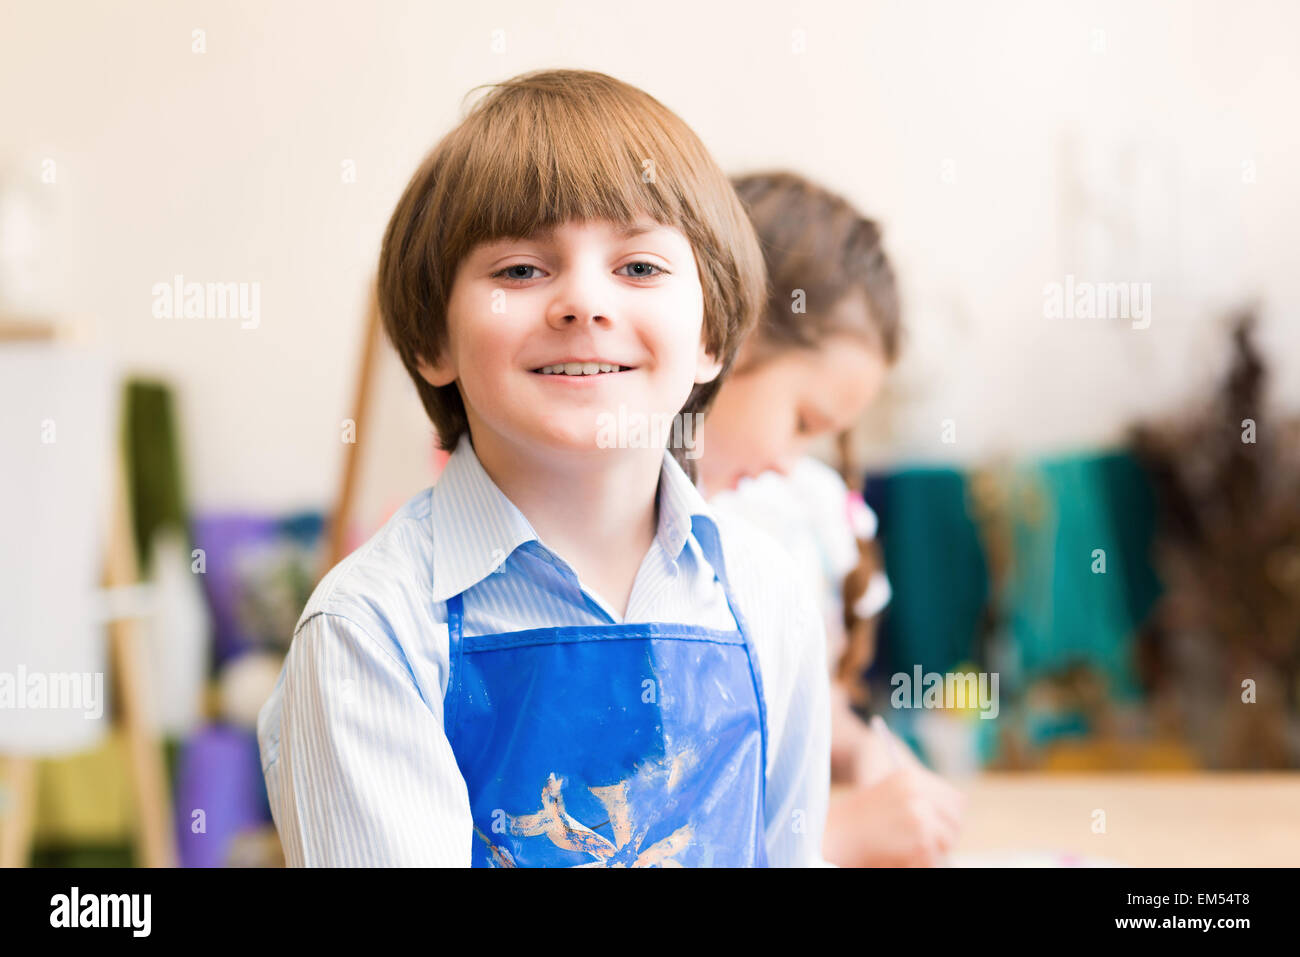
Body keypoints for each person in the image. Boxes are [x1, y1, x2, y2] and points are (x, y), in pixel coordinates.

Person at [256, 71, 833, 867]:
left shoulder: (768, 595)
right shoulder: (369, 631)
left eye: (638, 268)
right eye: (521, 270)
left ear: (712, 333)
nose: (583, 304)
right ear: (433, 341)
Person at [702, 171, 966, 867]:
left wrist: (860, 750)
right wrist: (834, 842)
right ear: (722, 332)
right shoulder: (611, 540)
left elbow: (794, 709)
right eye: (800, 421)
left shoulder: (788, 512)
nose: (792, 462)